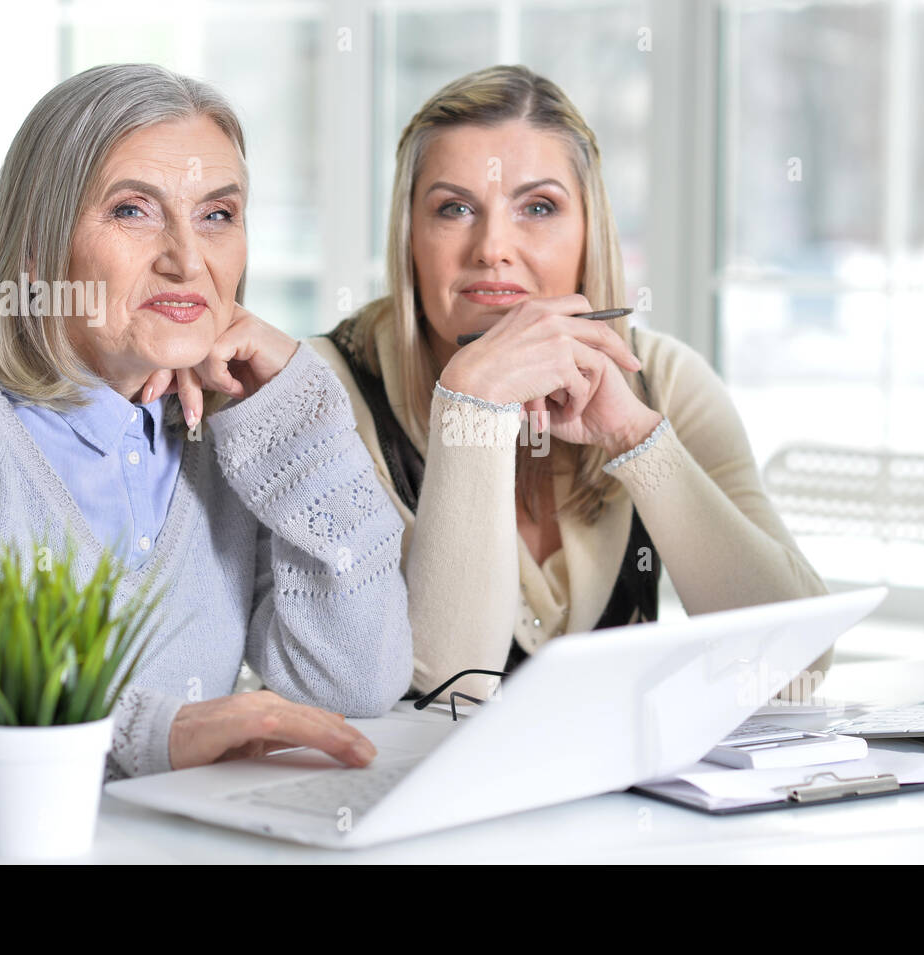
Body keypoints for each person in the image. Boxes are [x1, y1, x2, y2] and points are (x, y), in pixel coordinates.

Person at [0, 64, 412, 789]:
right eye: (133, 211)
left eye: (217, 215)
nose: (186, 260)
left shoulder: (235, 422)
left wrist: (304, 412)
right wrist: (144, 734)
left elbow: (354, 681)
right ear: (37, 249)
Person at [304, 65, 830, 702]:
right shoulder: (326, 392)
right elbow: (448, 691)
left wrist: (633, 435)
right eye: (455, 208)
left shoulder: (663, 380)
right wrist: (474, 410)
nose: (492, 247)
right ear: (411, 235)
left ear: (590, 231)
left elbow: (798, 669)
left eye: (538, 207)